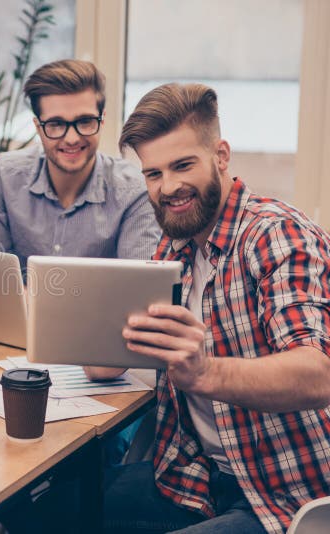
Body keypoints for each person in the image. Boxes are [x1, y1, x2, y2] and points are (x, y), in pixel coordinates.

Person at [103, 83, 330, 533]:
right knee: (57, 501)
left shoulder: (275, 236)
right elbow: (161, 353)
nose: (168, 188)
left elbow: (318, 373)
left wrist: (205, 373)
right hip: (197, 477)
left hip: (290, 493)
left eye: (183, 165)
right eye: (153, 174)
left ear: (221, 156)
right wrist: (105, 353)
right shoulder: (174, 247)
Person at [0, 59, 161, 272]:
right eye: (56, 124)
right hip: (14, 306)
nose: (71, 138)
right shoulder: (3, 175)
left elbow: (138, 288)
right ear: (38, 128)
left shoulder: (135, 191)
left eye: (85, 121)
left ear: (102, 121)